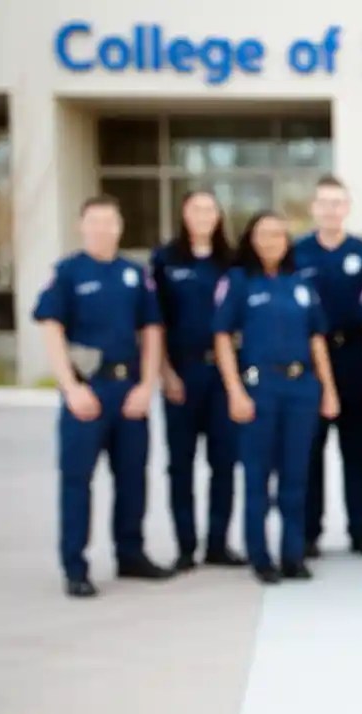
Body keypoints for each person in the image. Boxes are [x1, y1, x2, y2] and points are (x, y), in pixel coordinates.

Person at [33, 194, 175, 598]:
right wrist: (70, 387)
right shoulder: (67, 272)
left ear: (120, 226)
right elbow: (50, 327)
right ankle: (75, 566)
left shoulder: (134, 275)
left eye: (109, 222)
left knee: (132, 478)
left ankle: (130, 554)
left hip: (128, 389)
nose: (102, 229)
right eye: (94, 222)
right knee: (77, 480)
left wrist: (147, 385)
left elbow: (151, 331)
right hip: (87, 391)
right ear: (82, 226)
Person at [213, 210, 339, 585]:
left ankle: (293, 553)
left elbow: (317, 339)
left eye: (279, 235)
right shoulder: (238, 282)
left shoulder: (299, 283)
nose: (271, 242)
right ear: (251, 239)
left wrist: (328, 389)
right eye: (264, 235)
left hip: (301, 389)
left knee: (296, 475)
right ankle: (260, 556)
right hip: (259, 388)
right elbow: (222, 337)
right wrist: (235, 390)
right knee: (257, 476)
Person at [150, 190, 246, 571]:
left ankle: (219, 543)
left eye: (210, 209)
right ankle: (186, 546)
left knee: (224, 462)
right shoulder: (165, 260)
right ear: (184, 214)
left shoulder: (233, 261)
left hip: (224, 376)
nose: (203, 215)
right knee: (181, 463)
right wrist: (165, 373)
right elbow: (154, 323)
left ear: (219, 216)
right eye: (196, 209)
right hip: (182, 373)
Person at [293, 175, 362, 558]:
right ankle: (310, 532)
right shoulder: (297, 253)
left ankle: (360, 531)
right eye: (323, 203)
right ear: (314, 208)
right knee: (310, 451)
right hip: (312, 359)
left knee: (357, 451)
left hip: (354, 358)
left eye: (337, 203)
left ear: (347, 208)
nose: (330, 209)